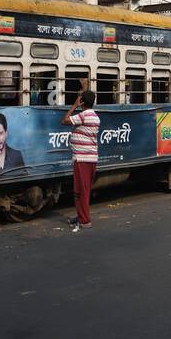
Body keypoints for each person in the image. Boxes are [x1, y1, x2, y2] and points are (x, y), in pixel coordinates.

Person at [63, 86, 101, 232]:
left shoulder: (84, 115)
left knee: (81, 191)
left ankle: (85, 221)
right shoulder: (95, 116)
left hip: (82, 159)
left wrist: (74, 106)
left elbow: (65, 120)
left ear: (82, 102)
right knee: (84, 190)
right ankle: (81, 216)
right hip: (91, 158)